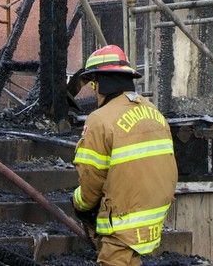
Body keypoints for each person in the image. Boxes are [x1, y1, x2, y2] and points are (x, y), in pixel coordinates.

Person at [71, 45, 178, 266]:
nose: (94, 91)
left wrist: (78, 202)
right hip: (153, 216)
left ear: (100, 83)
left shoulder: (100, 119)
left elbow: (92, 178)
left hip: (123, 221)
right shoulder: (154, 112)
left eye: (93, 84)